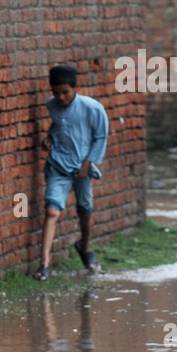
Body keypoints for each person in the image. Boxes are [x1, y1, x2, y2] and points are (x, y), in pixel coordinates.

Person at [35, 64, 108, 281]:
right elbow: (58, 126)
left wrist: (89, 162)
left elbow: (101, 137)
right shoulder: (52, 106)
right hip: (58, 165)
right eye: (56, 93)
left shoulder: (93, 108)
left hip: (82, 169)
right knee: (52, 211)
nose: (61, 97)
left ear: (75, 88)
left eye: (65, 92)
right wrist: (49, 137)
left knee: (85, 210)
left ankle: (84, 247)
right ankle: (44, 264)